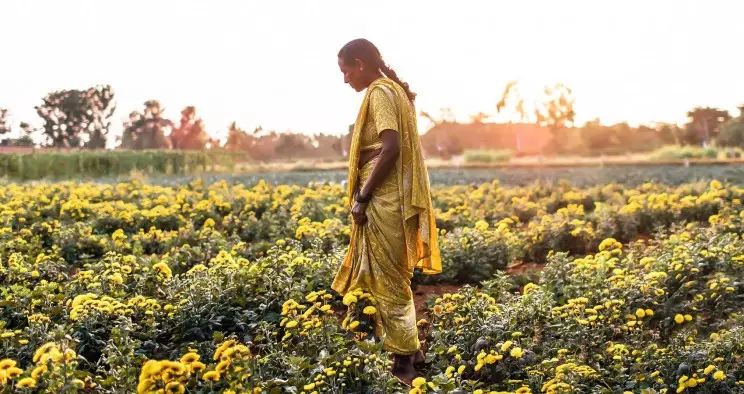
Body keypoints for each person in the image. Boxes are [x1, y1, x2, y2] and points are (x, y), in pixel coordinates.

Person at [331, 38, 442, 384]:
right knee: (393, 276)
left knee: (390, 281)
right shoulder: (396, 91)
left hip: (384, 199)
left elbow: (390, 148)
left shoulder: (380, 92)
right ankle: (413, 350)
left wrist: (363, 196)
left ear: (360, 63)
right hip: (390, 197)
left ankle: (403, 361)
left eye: (346, 70)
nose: (345, 79)